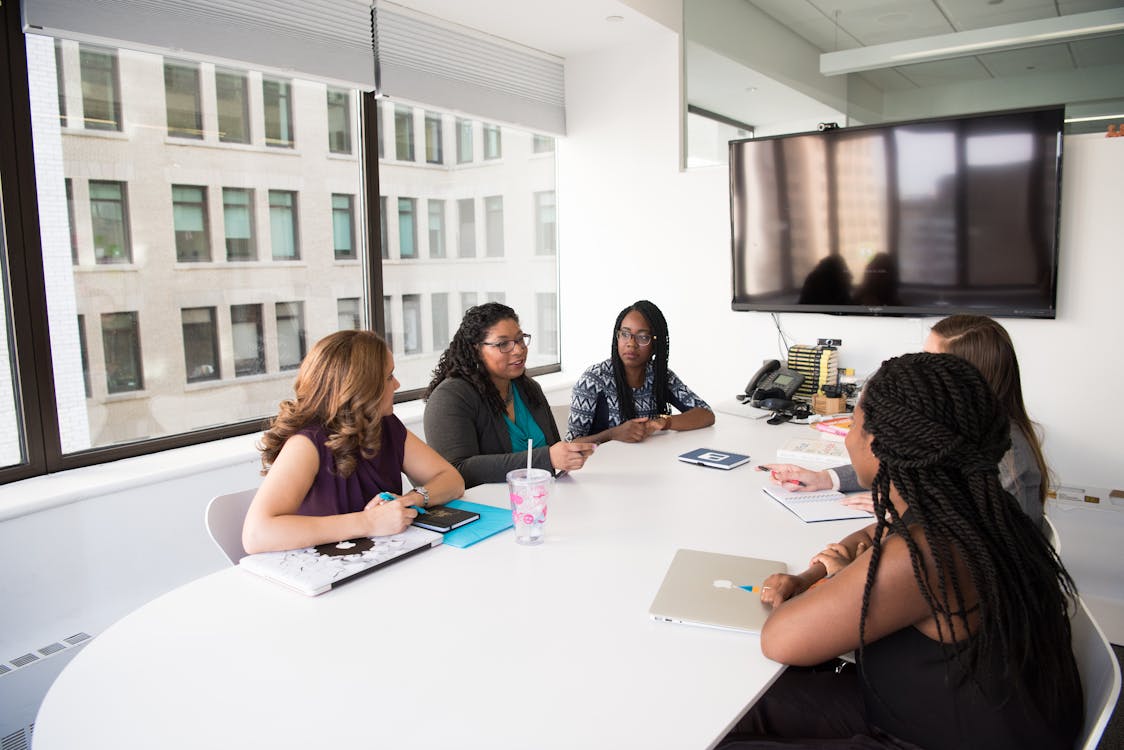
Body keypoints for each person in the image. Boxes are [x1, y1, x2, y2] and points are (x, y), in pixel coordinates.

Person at [721, 353, 1082, 750]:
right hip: (955, 714)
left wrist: (837, 578)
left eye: (852, 426)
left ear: (875, 445)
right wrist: (827, 568)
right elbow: (881, 531)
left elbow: (780, 638)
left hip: (931, 736)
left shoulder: (924, 556)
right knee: (734, 710)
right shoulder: (978, 509)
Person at [763, 314, 1048, 528]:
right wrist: (827, 478)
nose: (915, 369)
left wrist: (907, 514)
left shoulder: (1008, 455)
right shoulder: (952, 428)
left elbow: (1001, 542)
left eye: (929, 361)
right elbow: (903, 460)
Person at [242, 330, 465, 554]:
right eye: (389, 377)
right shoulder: (306, 444)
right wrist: (369, 522)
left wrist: (412, 500)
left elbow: (452, 480)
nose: (396, 385)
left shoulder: (385, 425)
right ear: (361, 388)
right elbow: (256, 535)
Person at [423, 302, 595, 488]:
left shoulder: (528, 388)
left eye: (520, 339)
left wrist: (566, 456)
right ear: (476, 350)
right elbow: (458, 470)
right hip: (486, 509)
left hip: (540, 499)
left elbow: (553, 450)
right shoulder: (450, 397)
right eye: (503, 344)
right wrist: (546, 459)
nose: (519, 350)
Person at [567, 300, 714, 444]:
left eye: (643, 337)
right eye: (625, 334)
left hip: (647, 461)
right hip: (602, 465)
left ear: (656, 344)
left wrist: (662, 422)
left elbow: (706, 414)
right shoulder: (594, 380)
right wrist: (612, 434)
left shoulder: (660, 375)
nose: (631, 343)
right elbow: (571, 445)